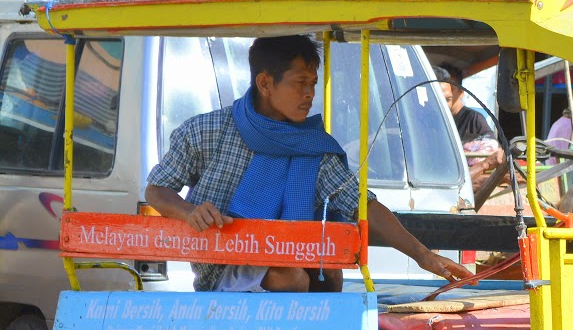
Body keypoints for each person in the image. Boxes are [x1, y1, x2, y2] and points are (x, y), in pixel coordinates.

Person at [145, 35, 469, 293]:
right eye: (300, 82)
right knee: (290, 277)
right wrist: (189, 211)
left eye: (313, 83)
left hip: (290, 260)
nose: (309, 93)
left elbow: (363, 205)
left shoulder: (314, 148)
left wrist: (424, 256)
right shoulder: (208, 131)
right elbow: (157, 190)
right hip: (221, 267)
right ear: (265, 84)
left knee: (329, 272)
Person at [436, 63, 506, 201]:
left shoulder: (474, 118)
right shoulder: (428, 122)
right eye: (438, 96)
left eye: (448, 97)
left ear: (461, 92)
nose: (444, 102)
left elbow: (491, 147)